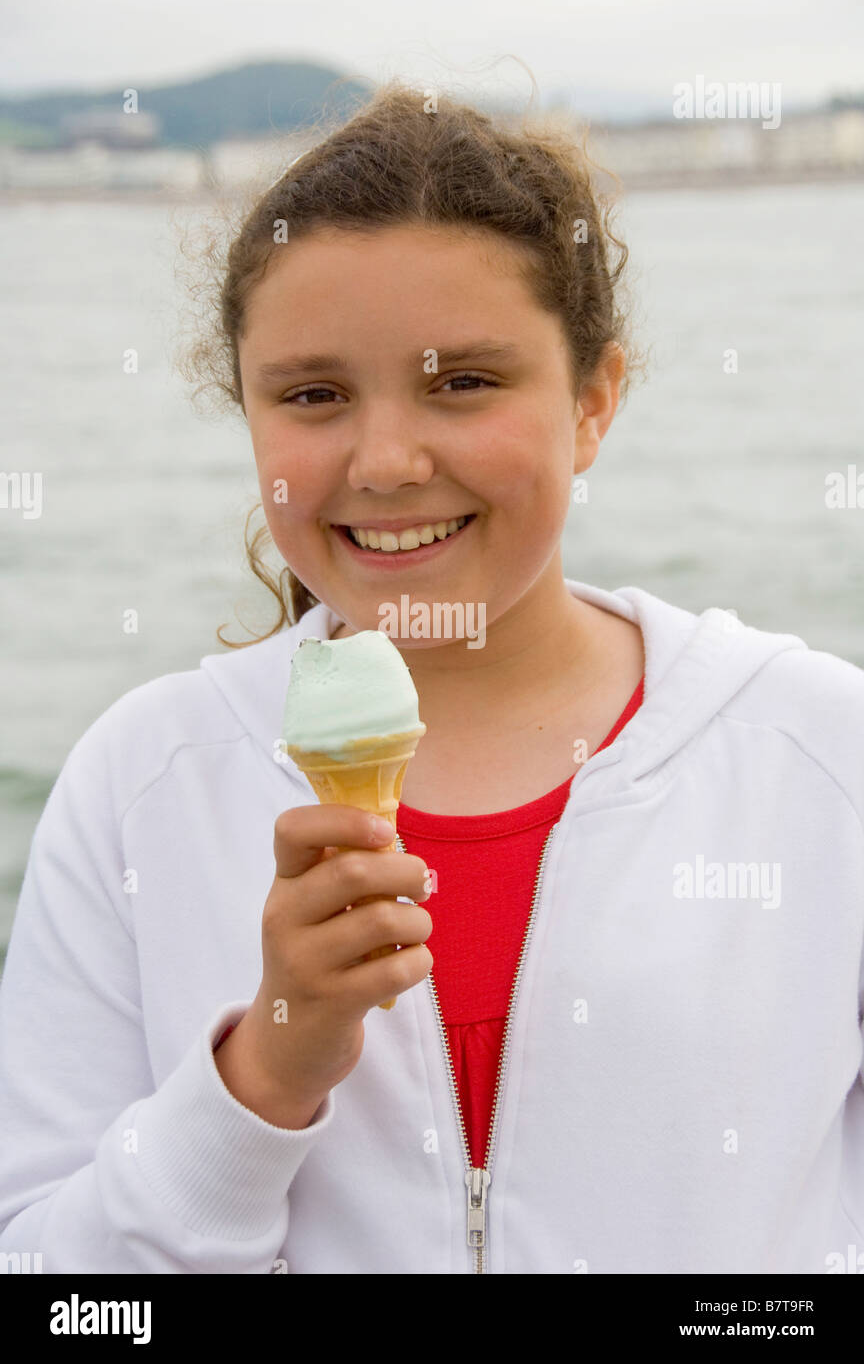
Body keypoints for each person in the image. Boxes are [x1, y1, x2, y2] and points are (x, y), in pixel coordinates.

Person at [1, 82, 863, 1276]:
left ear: (596, 401)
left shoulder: (822, 757)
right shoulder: (139, 786)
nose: (389, 460)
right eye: (312, 395)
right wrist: (261, 1077)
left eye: (464, 381)